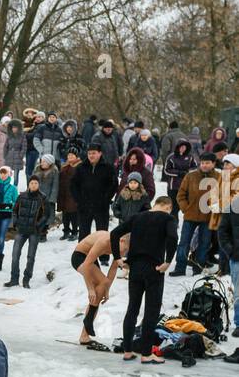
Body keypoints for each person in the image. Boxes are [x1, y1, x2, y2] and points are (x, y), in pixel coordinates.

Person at [110, 197, 178, 364]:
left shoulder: (138, 217)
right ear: (168, 207)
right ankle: (146, 354)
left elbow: (114, 233)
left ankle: (127, 351)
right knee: (151, 311)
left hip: (135, 268)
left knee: (132, 308)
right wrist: (168, 261)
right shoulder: (168, 218)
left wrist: (118, 257)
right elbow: (172, 237)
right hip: (154, 269)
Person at [71, 230, 123, 345]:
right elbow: (86, 265)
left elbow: (113, 269)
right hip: (80, 257)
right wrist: (90, 289)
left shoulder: (124, 246)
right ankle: (88, 320)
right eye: (123, 249)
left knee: (99, 295)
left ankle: (84, 336)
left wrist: (106, 290)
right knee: (102, 282)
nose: (122, 252)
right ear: (121, 240)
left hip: (91, 260)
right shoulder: (105, 241)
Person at [170, 152, 219, 276]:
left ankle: (198, 268)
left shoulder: (219, 177)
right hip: (190, 215)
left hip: (208, 218)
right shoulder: (190, 176)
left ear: (213, 164)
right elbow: (180, 195)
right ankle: (180, 267)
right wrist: (185, 208)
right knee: (184, 242)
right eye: (202, 163)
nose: (204, 165)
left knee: (204, 243)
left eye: (207, 163)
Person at [5, 176, 47, 289]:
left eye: (36, 183)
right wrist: (16, 223)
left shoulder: (42, 198)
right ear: (29, 184)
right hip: (21, 230)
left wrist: (38, 226)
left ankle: (26, 279)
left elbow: (46, 215)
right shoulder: (22, 196)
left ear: (38, 185)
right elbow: (14, 211)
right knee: (15, 255)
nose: (33, 185)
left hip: (34, 232)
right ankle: (14, 279)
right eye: (32, 183)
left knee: (31, 256)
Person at [70, 142, 117, 239]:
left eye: (94, 153)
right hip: (84, 206)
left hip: (101, 206)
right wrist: (79, 200)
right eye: (89, 153)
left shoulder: (108, 168)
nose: (91, 155)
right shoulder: (81, 168)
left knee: (102, 235)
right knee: (83, 235)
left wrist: (106, 199)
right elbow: (73, 185)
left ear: (100, 153)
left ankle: (103, 254)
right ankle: (83, 254)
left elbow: (113, 185)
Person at [217, 155, 239, 336]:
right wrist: (230, 250)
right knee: (238, 291)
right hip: (237, 257)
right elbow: (222, 232)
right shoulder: (232, 208)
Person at [57, 148, 82, 239]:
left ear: (76, 156)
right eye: (69, 155)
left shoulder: (80, 166)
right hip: (63, 194)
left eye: (72, 155)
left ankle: (75, 232)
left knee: (74, 214)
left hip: (73, 194)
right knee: (65, 215)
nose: (70, 157)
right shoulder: (64, 166)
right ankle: (66, 231)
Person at [34, 154, 59, 232]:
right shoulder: (37, 170)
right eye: (42, 161)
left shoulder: (54, 171)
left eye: (44, 162)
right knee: (37, 215)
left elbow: (55, 186)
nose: (42, 163)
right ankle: (38, 231)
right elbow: (32, 182)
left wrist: (52, 198)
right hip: (37, 197)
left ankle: (43, 232)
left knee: (46, 216)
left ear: (50, 163)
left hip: (48, 198)